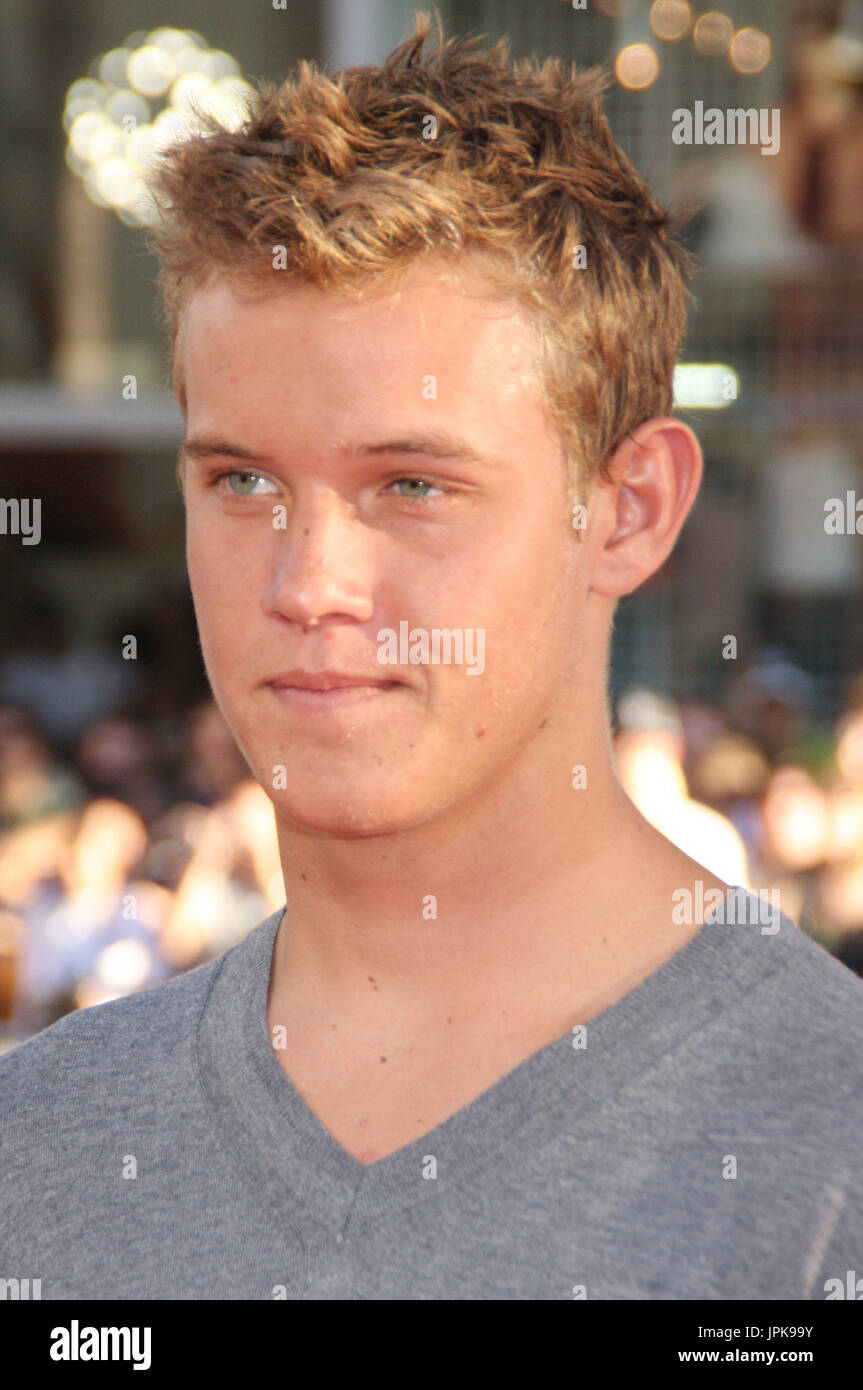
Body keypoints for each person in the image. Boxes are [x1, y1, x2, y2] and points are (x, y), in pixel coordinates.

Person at [2, 11, 861, 1300]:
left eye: (410, 484)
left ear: (629, 509)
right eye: (242, 479)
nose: (308, 585)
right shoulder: (41, 1149)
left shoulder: (827, 1157)